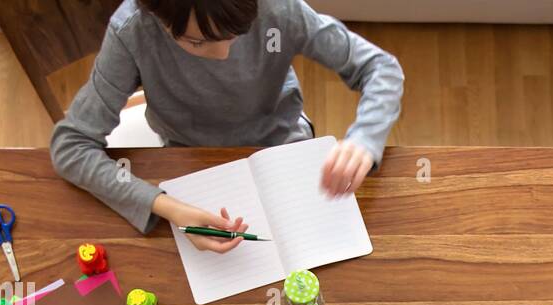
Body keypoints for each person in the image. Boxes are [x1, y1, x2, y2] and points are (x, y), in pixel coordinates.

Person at [50, 0, 404, 253]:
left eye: (236, 33)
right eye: (197, 42)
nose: (222, 54)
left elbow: (380, 69)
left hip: (283, 144)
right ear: (156, 14)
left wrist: (364, 139)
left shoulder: (279, 10)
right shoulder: (133, 32)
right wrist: (166, 206)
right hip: (190, 159)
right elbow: (71, 145)